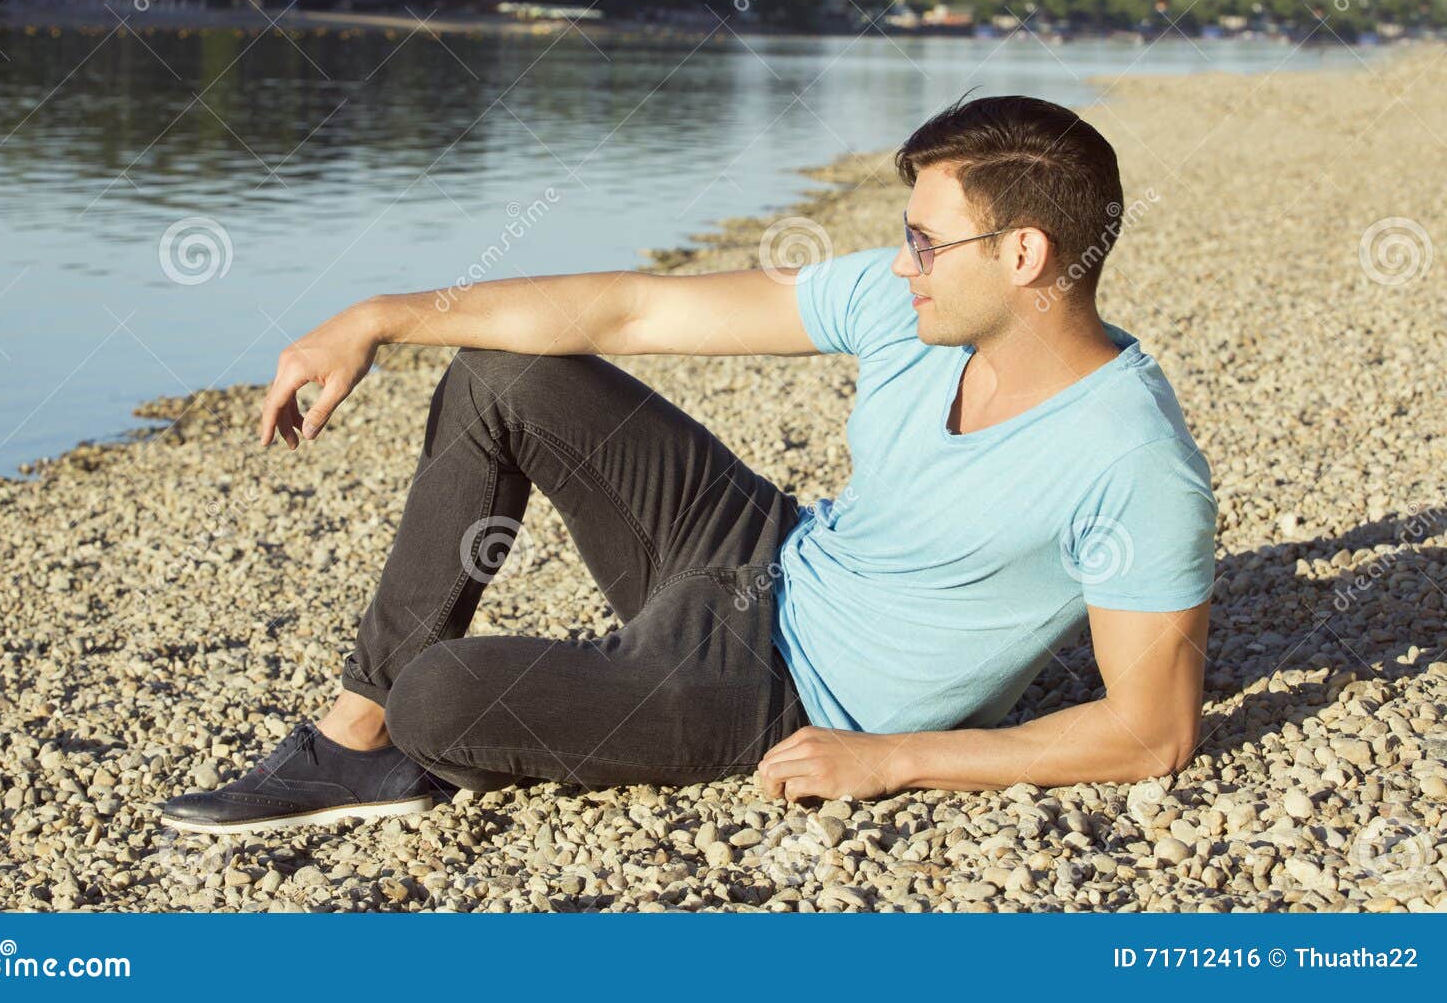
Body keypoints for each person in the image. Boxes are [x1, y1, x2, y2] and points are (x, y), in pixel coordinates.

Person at [159, 94, 1217, 835]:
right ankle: (353, 734)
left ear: (1023, 254)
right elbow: (636, 306)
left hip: (777, 693)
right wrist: (383, 316)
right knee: (500, 373)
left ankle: (427, 715)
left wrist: (892, 757)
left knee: (438, 698)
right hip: (765, 553)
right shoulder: (907, 308)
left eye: (924, 241)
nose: (902, 263)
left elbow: (1151, 729)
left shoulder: (1130, 459)